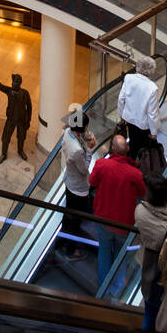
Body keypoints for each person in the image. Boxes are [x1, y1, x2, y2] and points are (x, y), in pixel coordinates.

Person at [89, 134, 146, 290]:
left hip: (103, 218)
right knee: (121, 255)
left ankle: (103, 284)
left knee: (104, 249)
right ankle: (117, 285)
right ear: (127, 150)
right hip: (124, 224)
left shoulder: (102, 165)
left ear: (113, 149)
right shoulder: (136, 174)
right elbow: (143, 192)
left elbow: (92, 182)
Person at [135, 173, 167, 333]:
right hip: (165, 280)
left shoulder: (140, 211)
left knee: (148, 321)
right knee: (163, 330)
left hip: (148, 274)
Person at [59, 105, 96, 260]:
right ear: (84, 127)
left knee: (68, 214)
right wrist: (89, 149)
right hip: (78, 188)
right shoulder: (77, 151)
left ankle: (61, 240)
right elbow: (84, 168)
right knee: (75, 220)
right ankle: (70, 250)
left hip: (69, 182)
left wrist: (85, 137)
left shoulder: (68, 133)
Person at [117, 57, 161, 162]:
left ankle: (129, 159)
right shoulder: (152, 88)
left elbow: (121, 99)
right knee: (140, 147)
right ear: (151, 71)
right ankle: (135, 163)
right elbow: (152, 113)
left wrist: (121, 115)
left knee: (132, 140)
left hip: (128, 118)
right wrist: (154, 132)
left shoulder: (128, 78)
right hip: (142, 125)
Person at [0, 73, 32, 164]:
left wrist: (28, 120)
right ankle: (4, 154)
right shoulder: (9, 91)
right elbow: (0, 86)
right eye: (12, 82)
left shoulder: (25, 93)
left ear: (19, 83)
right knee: (6, 136)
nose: (12, 84)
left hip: (22, 119)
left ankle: (20, 151)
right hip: (11, 119)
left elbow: (29, 107)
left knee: (21, 136)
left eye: (15, 82)